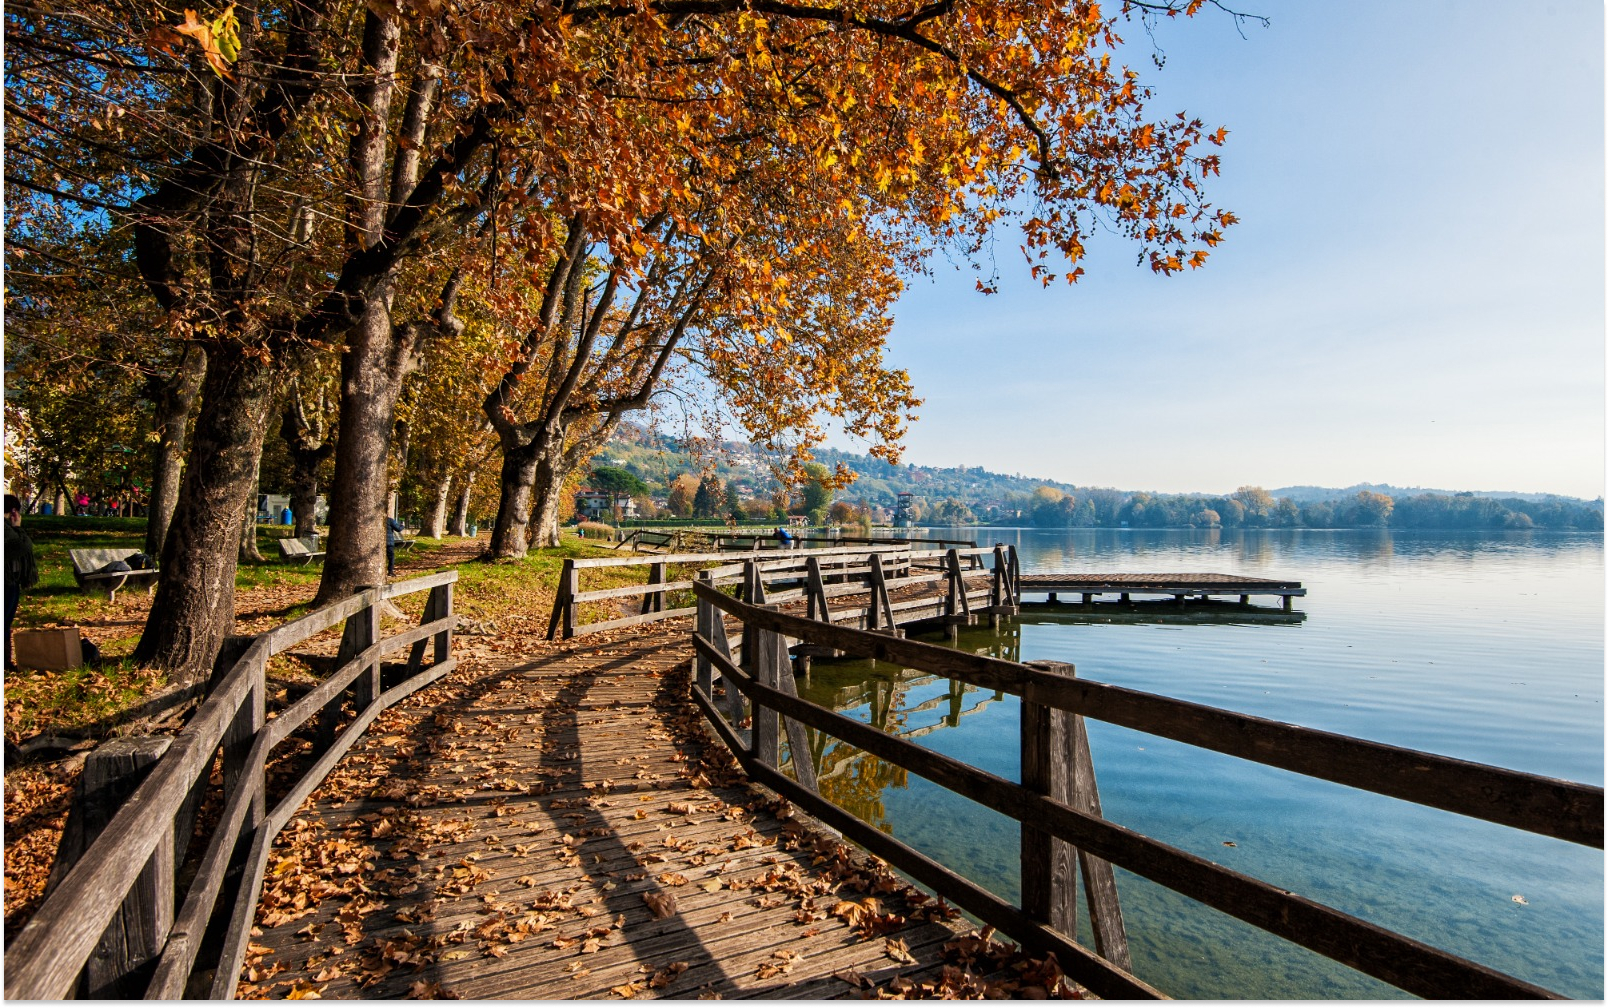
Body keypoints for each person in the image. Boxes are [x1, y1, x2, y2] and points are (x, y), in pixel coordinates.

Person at [5, 494, 39, 672]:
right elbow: (21, 547)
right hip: (7, 582)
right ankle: (5, 662)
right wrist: (18, 527)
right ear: (13, 511)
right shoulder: (7, 530)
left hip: (11, 581)